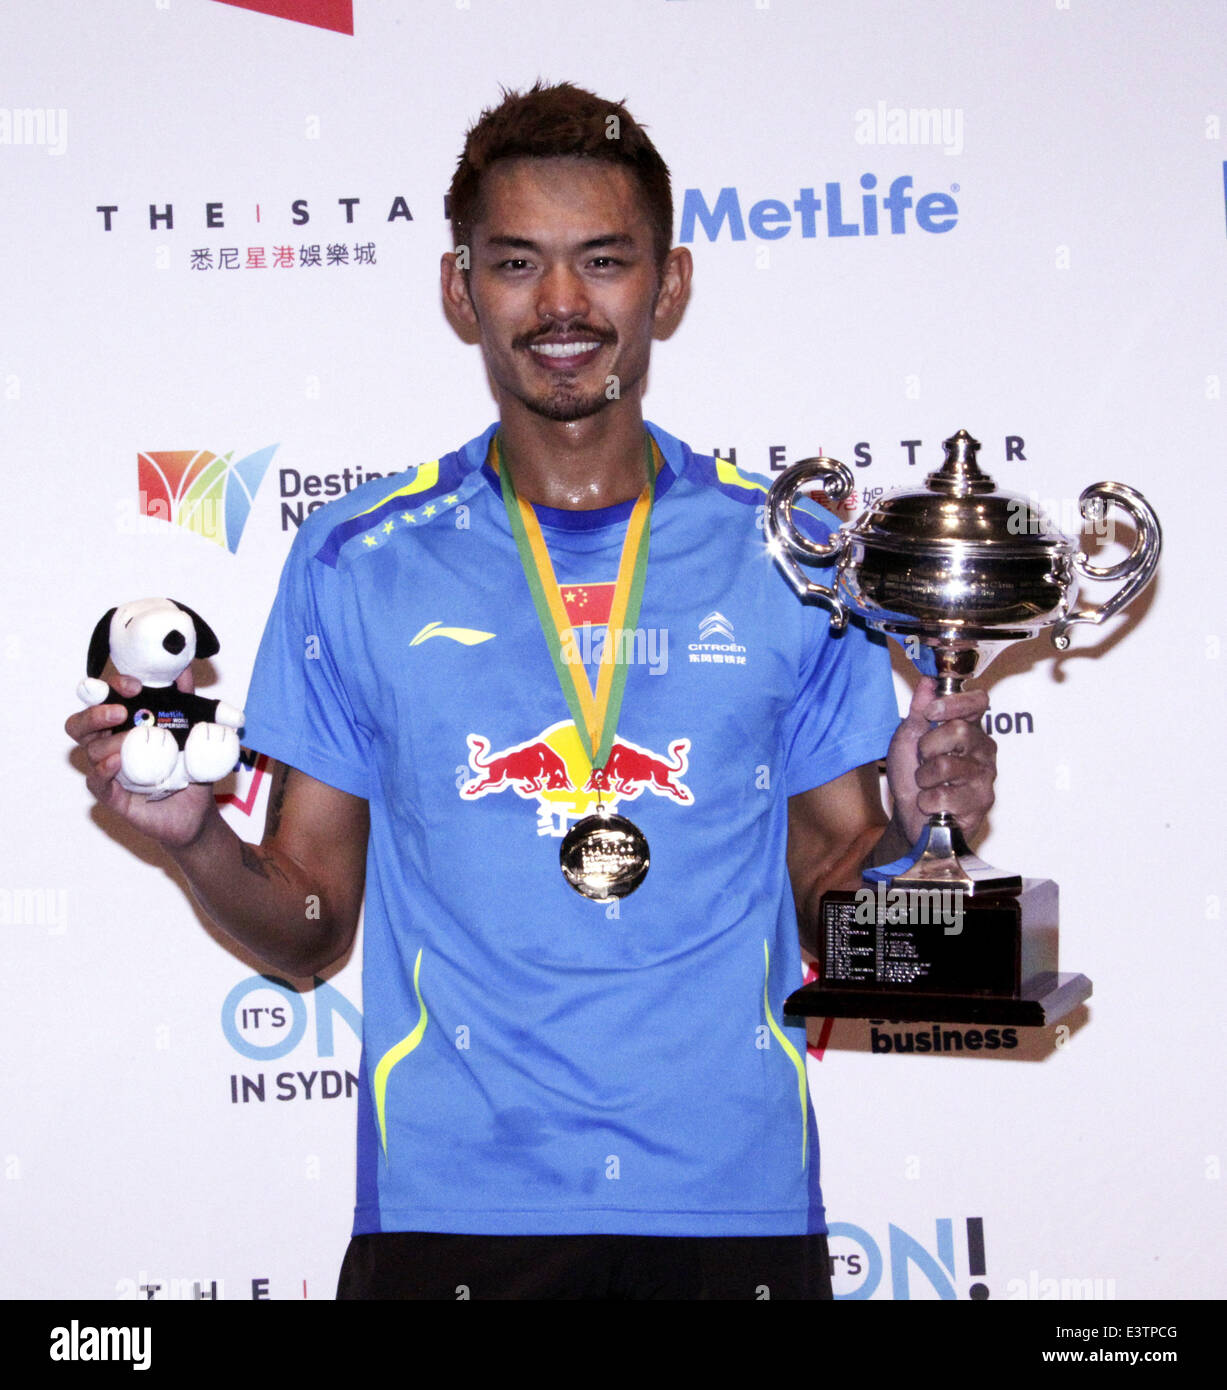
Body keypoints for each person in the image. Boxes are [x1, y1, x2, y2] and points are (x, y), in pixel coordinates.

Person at [67, 83, 996, 1300]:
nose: (562, 305)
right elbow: (309, 935)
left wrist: (920, 828)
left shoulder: (795, 553)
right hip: (452, 1221)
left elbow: (834, 908)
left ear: (669, 285)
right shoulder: (360, 558)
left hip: (733, 1212)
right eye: (518, 264)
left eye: (604, 261)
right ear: (461, 290)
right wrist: (196, 845)